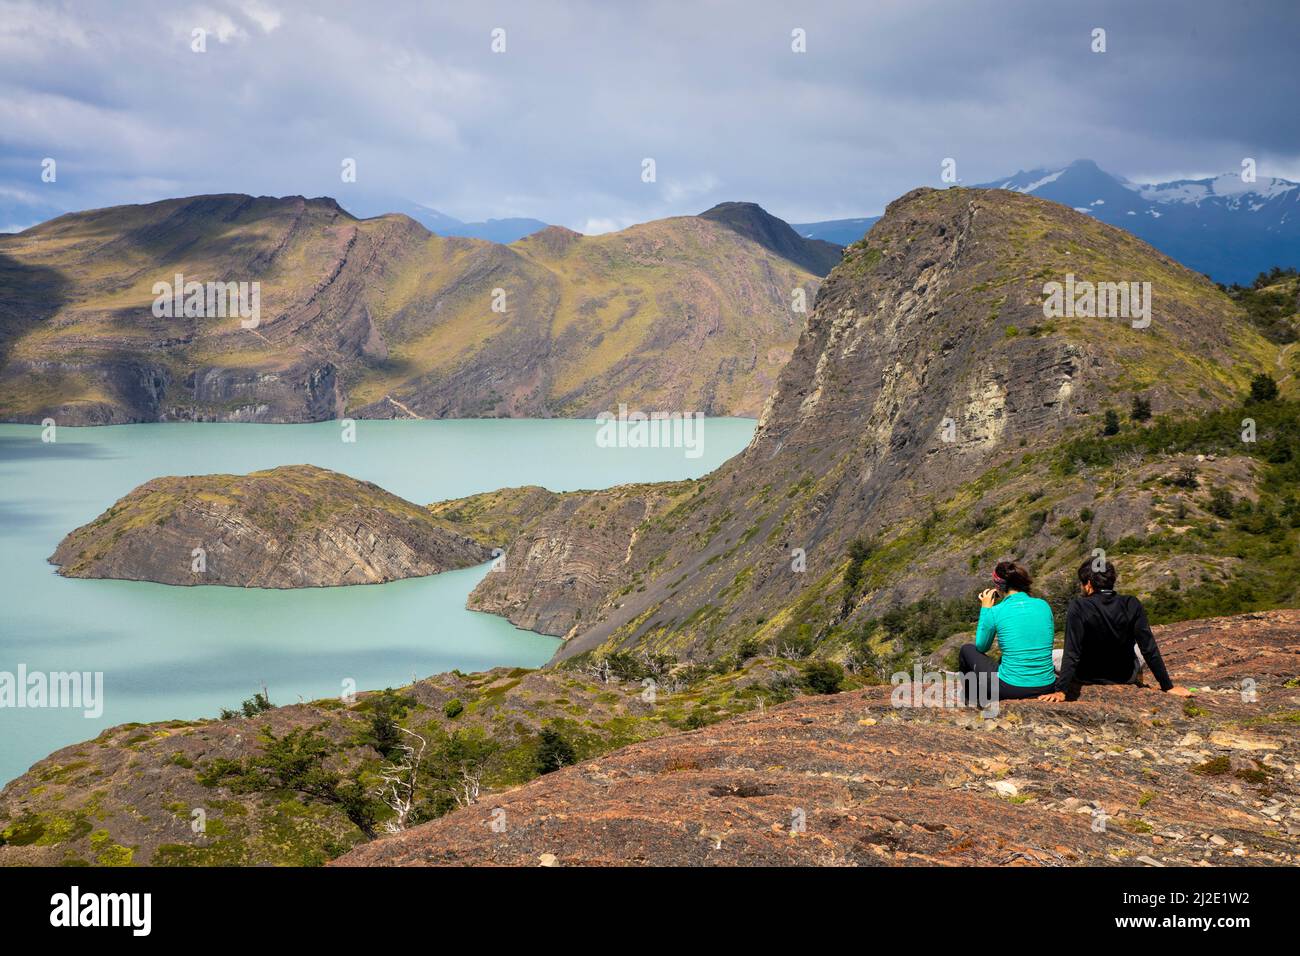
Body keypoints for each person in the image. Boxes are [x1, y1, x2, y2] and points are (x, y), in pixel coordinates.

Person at [1038, 559, 1193, 702]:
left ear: (1089, 584)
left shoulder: (1079, 606)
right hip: (1125, 676)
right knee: (1140, 647)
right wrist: (1168, 686)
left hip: (1087, 676)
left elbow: (1072, 651)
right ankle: (1140, 678)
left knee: (1052, 655)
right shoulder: (1132, 603)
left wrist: (1061, 690)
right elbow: (1149, 648)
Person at [958, 561, 1058, 707]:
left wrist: (986, 609)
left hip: (1012, 689)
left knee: (967, 649)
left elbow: (981, 646)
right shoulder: (1043, 605)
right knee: (1004, 658)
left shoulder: (996, 611)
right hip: (1047, 686)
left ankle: (973, 700)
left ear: (998, 586)